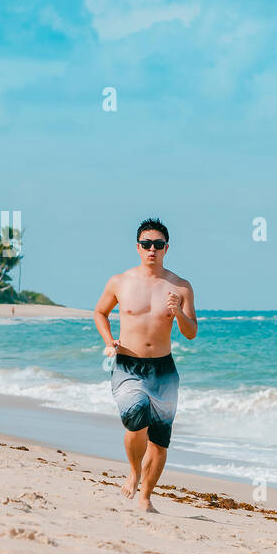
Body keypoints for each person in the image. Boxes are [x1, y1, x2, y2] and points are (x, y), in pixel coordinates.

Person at [92, 218, 197, 512]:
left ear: (166, 248)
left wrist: (178, 312)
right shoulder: (120, 282)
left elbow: (191, 333)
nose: (152, 249)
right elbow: (100, 313)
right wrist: (109, 339)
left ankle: (146, 496)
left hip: (164, 371)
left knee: (160, 440)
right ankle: (134, 471)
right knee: (135, 416)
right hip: (128, 365)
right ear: (137, 247)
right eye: (146, 244)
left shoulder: (181, 286)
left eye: (158, 245)